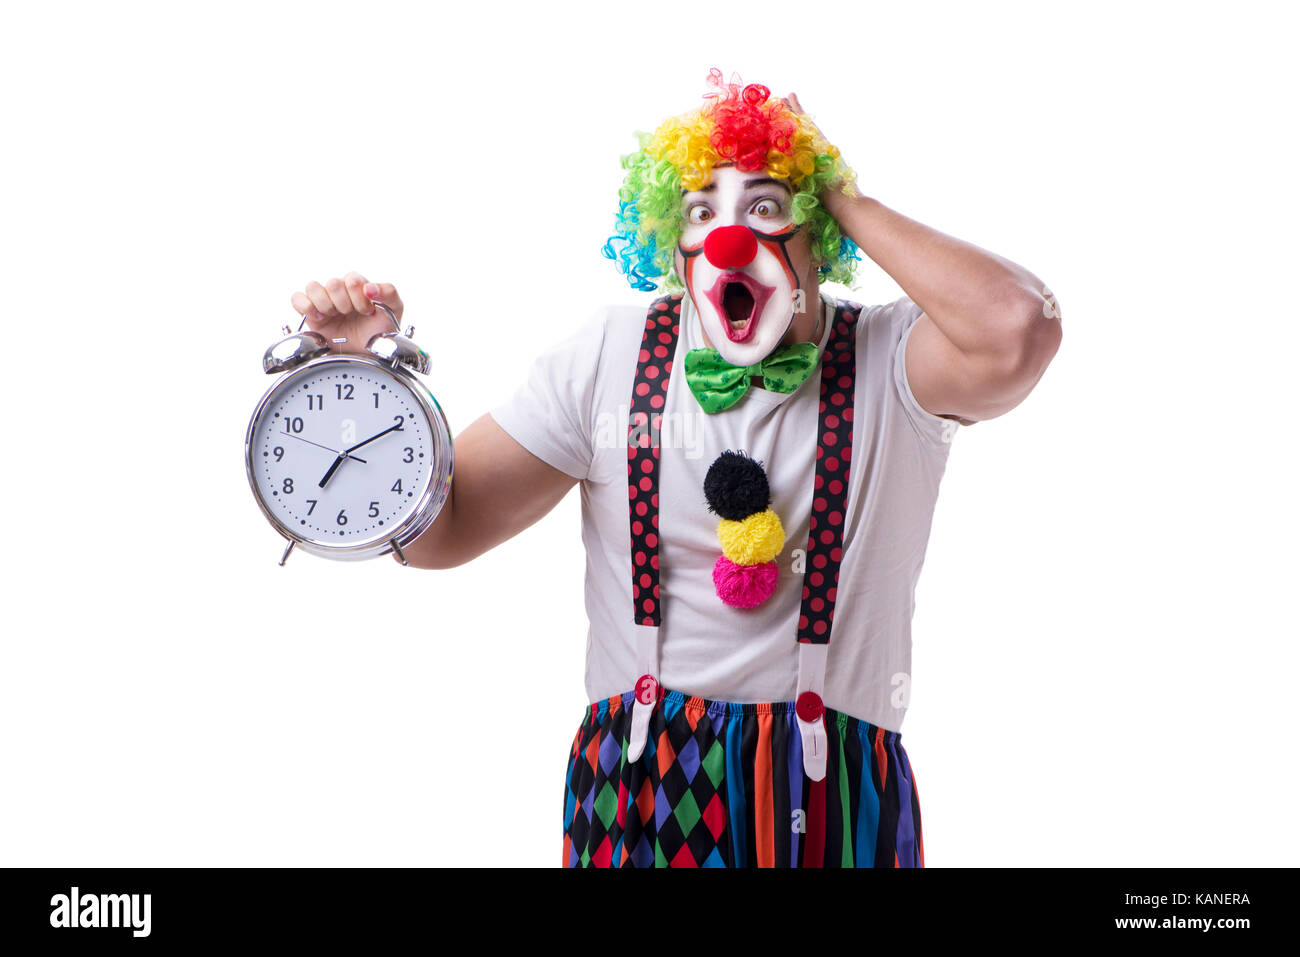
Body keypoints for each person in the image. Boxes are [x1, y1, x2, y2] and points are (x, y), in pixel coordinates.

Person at [290, 70, 1062, 867]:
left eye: (766, 207)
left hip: (833, 796)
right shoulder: (607, 358)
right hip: (640, 786)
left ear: (819, 236)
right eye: (701, 211)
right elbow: (437, 534)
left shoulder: (894, 360)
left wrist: (844, 192)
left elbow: (1018, 328)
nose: (731, 235)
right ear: (674, 242)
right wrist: (374, 390)